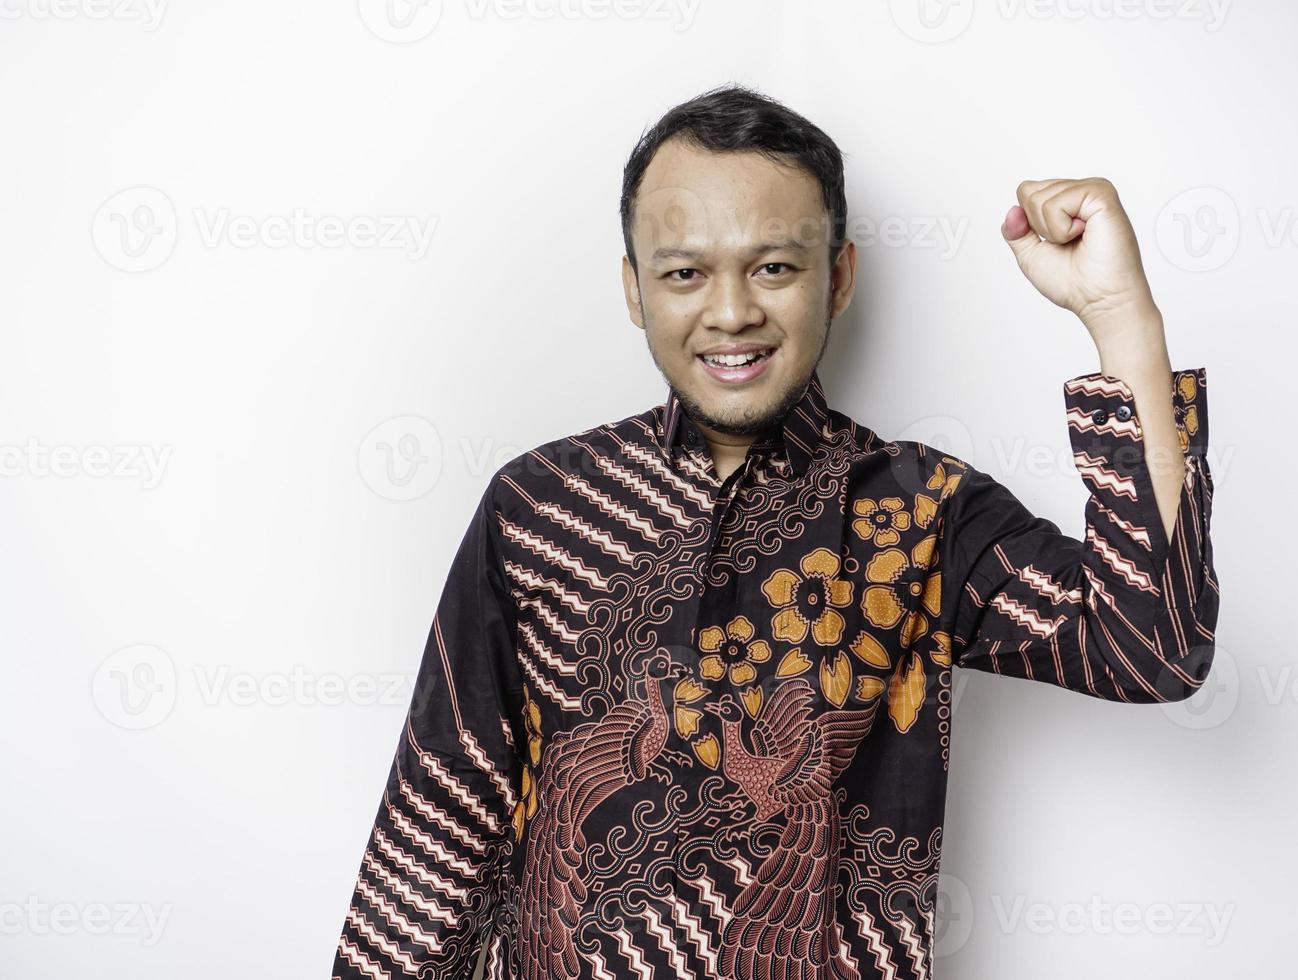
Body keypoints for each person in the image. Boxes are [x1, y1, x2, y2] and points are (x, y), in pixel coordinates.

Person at [332, 82, 1218, 980]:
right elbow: (439, 819)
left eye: (773, 268)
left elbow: (1154, 650)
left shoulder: (919, 511)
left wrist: (1119, 316)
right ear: (635, 291)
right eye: (684, 272)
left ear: (837, 277)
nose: (730, 313)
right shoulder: (540, 506)